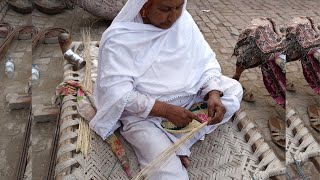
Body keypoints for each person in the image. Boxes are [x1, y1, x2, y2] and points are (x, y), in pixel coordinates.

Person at [89, 0, 243, 179]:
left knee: (233, 89)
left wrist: (213, 92)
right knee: (171, 176)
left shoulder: (183, 21)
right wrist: (166, 111)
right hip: (145, 115)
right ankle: (174, 140)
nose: (174, 16)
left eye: (179, 7)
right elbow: (118, 93)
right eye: (165, 9)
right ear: (145, 6)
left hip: (189, 98)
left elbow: (205, 59)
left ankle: (181, 139)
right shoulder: (119, 38)